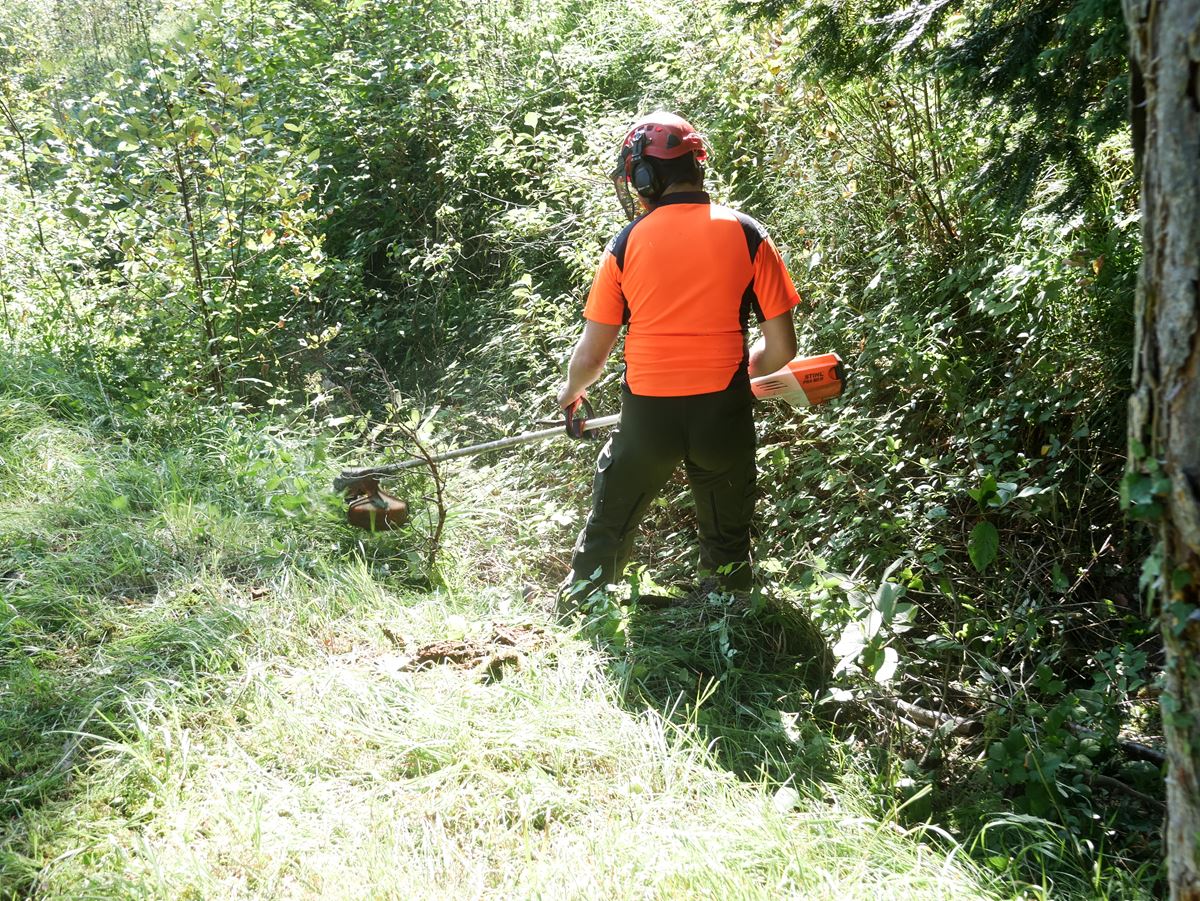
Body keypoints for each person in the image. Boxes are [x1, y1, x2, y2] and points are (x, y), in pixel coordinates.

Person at [556, 111, 802, 608]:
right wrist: (740, 372)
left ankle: (584, 603)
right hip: (723, 414)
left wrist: (570, 393)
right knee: (727, 534)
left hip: (649, 415)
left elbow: (592, 353)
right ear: (696, 166)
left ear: (645, 175)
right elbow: (782, 349)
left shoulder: (626, 244)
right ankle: (730, 619)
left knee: (612, 517)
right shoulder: (749, 233)